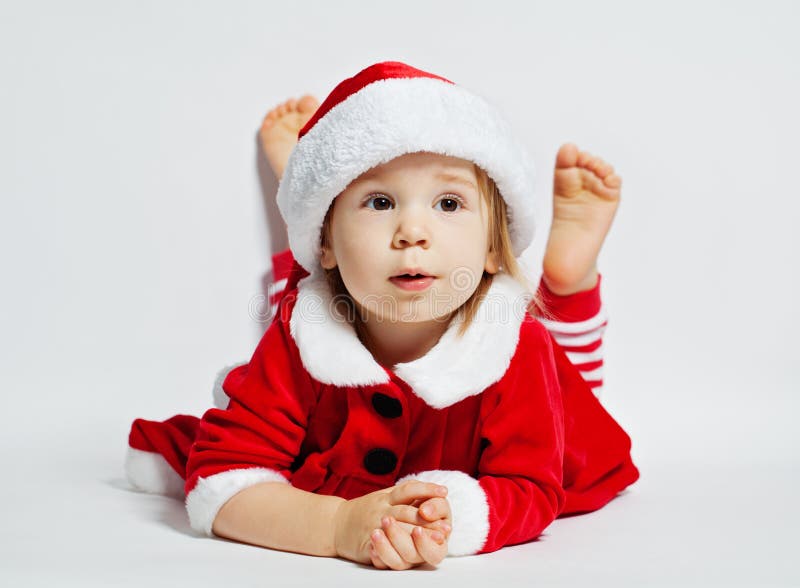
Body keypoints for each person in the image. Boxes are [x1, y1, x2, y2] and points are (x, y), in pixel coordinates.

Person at [125, 61, 639, 570]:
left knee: (572, 410)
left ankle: (568, 288)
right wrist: (335, 526)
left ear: (491, 248)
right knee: (312, 300)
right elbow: (225, 472)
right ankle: (307, 197)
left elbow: (531, 486)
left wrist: (452, 517)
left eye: (449, 203)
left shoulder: (514, 343)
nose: (413, 230)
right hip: (332, 279)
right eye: (378, 201)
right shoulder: (299, 332)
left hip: (553, 409)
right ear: (324, 239)